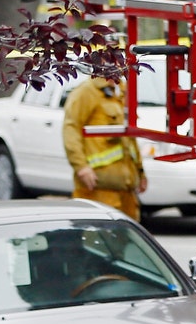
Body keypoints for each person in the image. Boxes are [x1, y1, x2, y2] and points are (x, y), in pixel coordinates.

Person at [62, 76, 147, 219]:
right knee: (97, 238)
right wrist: (81, 167)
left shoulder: (121, 91)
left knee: (127, 239)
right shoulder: (86, 92)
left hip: (127, 192)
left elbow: (130, 139)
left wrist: (140, 171)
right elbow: (71, 129)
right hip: (98, 189)